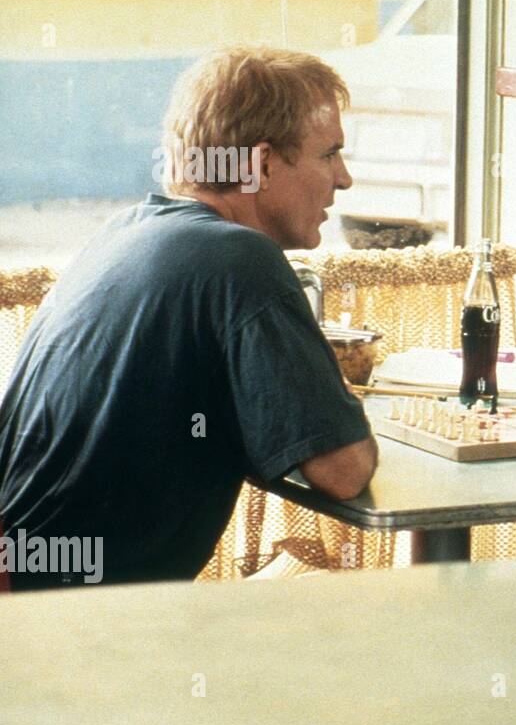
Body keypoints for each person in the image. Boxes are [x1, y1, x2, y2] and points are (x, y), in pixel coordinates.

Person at [0, 46, 377, 589]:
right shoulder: (240, 259)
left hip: (32, 581)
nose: (344, 179)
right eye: (329, 154)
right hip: (72, 620)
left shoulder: (127, 230)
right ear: (262, 164)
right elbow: (343, 472)